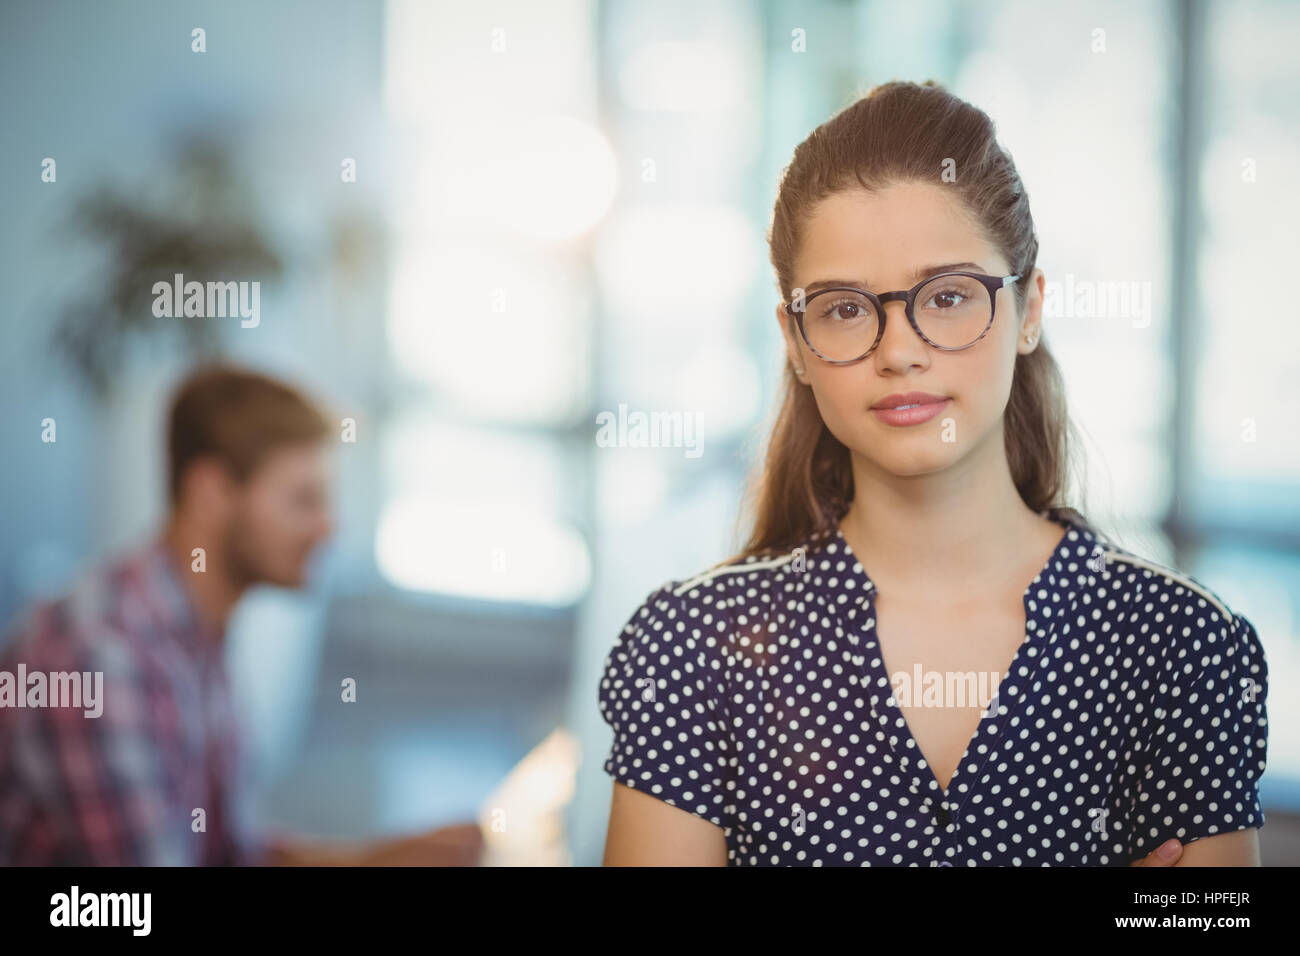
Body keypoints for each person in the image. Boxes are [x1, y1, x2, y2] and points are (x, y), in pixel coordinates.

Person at [598, 80, 1267, 867]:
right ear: (794, 340)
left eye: (947, 296)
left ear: (1031, 311)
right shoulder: (693, 649)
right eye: (846, 308)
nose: (899, 351)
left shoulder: (1180, 645)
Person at [0, 363, 482, 866]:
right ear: (211, 493)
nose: (327, 528)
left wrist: (373, 862)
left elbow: (226, 853)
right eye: (303, 500)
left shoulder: (196, 631)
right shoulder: (98, 656)